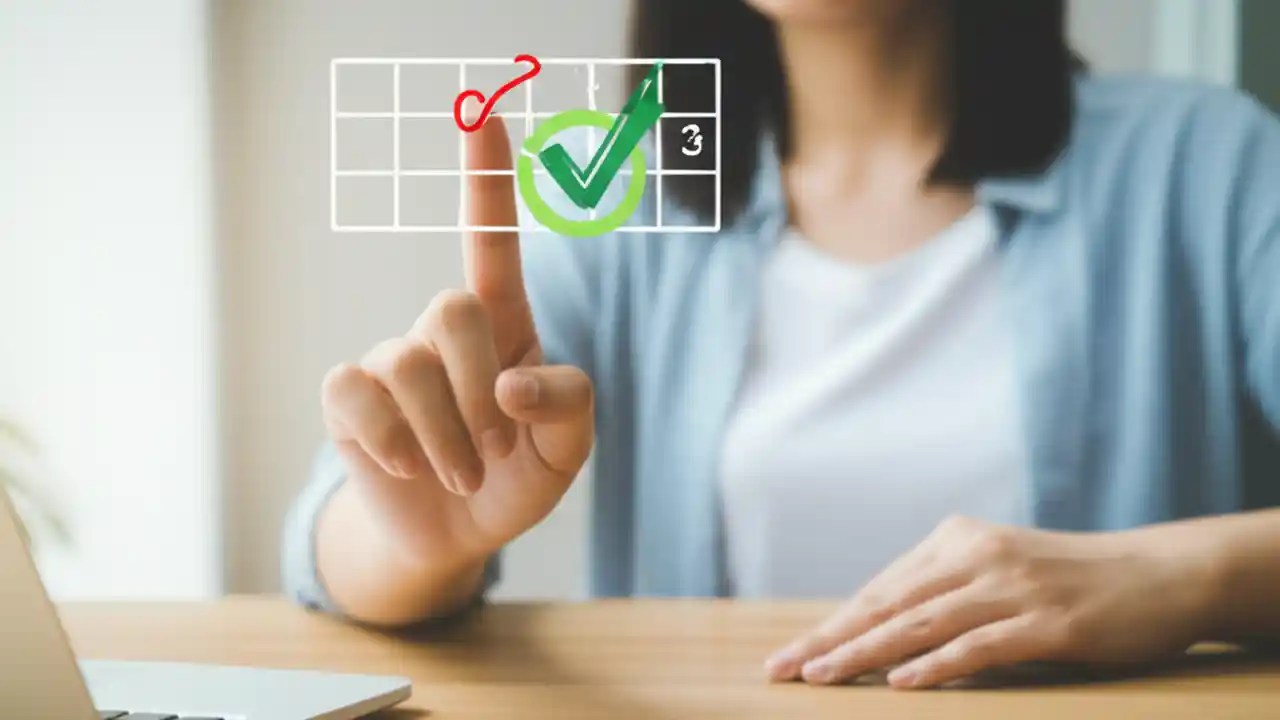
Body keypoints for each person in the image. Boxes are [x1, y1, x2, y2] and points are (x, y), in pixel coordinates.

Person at [285, 0, 1280, 689]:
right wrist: (427, 540)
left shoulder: (1207, 162)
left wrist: (1181, 576)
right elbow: (336, 541)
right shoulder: (616, 188)